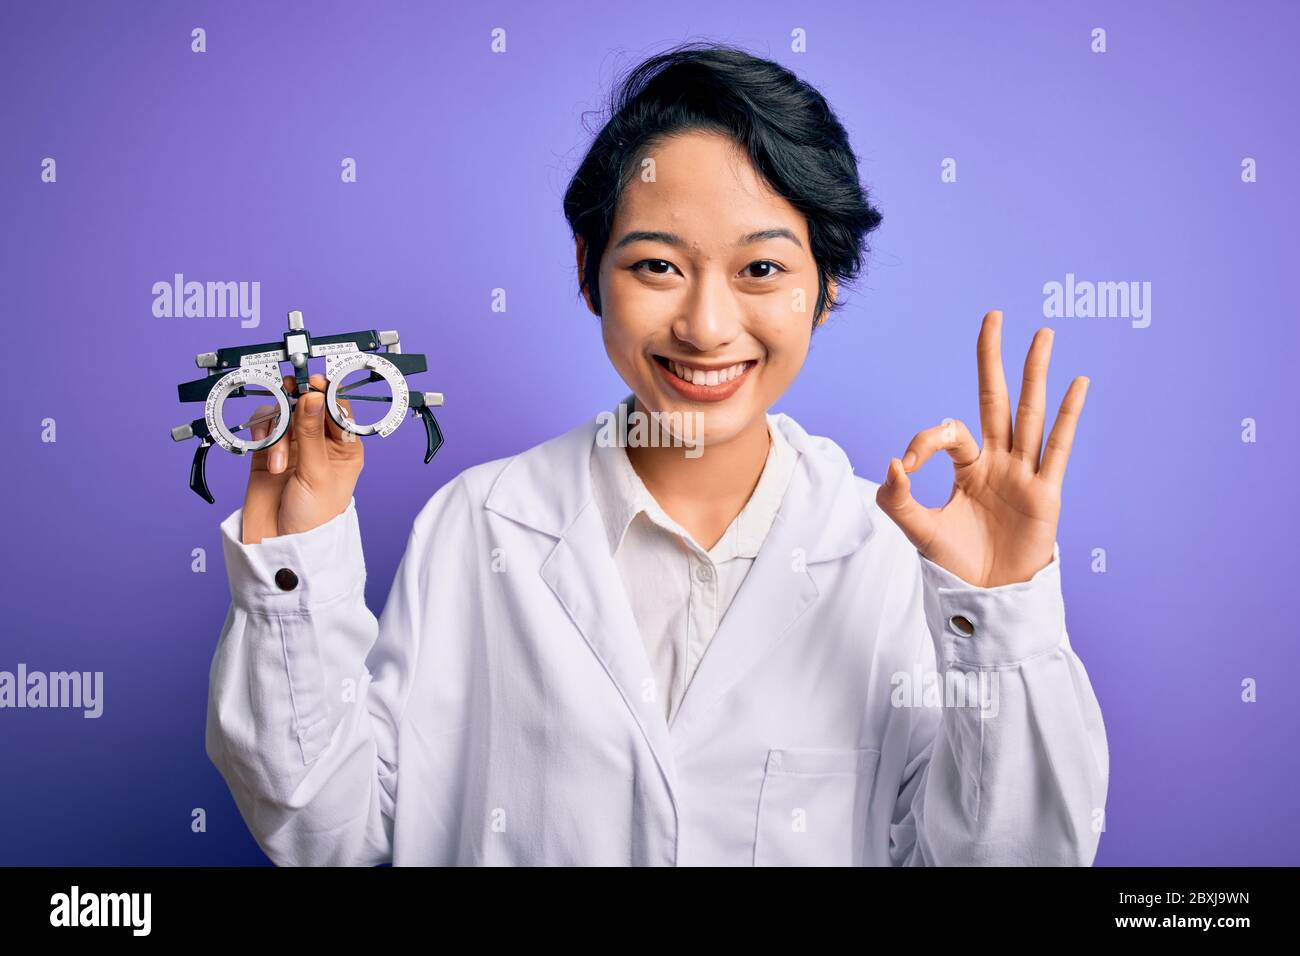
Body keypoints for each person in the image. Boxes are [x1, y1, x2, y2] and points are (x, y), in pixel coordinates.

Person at [206, 43, 1108, 866]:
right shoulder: (478, 528)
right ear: (586, 270)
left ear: (825, 290)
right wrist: (296, 571)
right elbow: (328, 834)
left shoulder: (891, 565)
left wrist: (1002, 619)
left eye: (762, 271)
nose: (707, 327)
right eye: (657, 266)